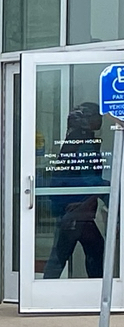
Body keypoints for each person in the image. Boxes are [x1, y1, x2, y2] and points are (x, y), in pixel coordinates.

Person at [43, 102, 107, 280]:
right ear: (88, 119)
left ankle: (46, 289)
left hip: (73, 206)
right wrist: (108, 187)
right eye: (97, 116)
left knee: (87, 248)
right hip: (76, 207)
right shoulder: (84, 141)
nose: (100, 119)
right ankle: (95, 289)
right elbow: (87, 177)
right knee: (66, 253)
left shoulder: (73, 138)